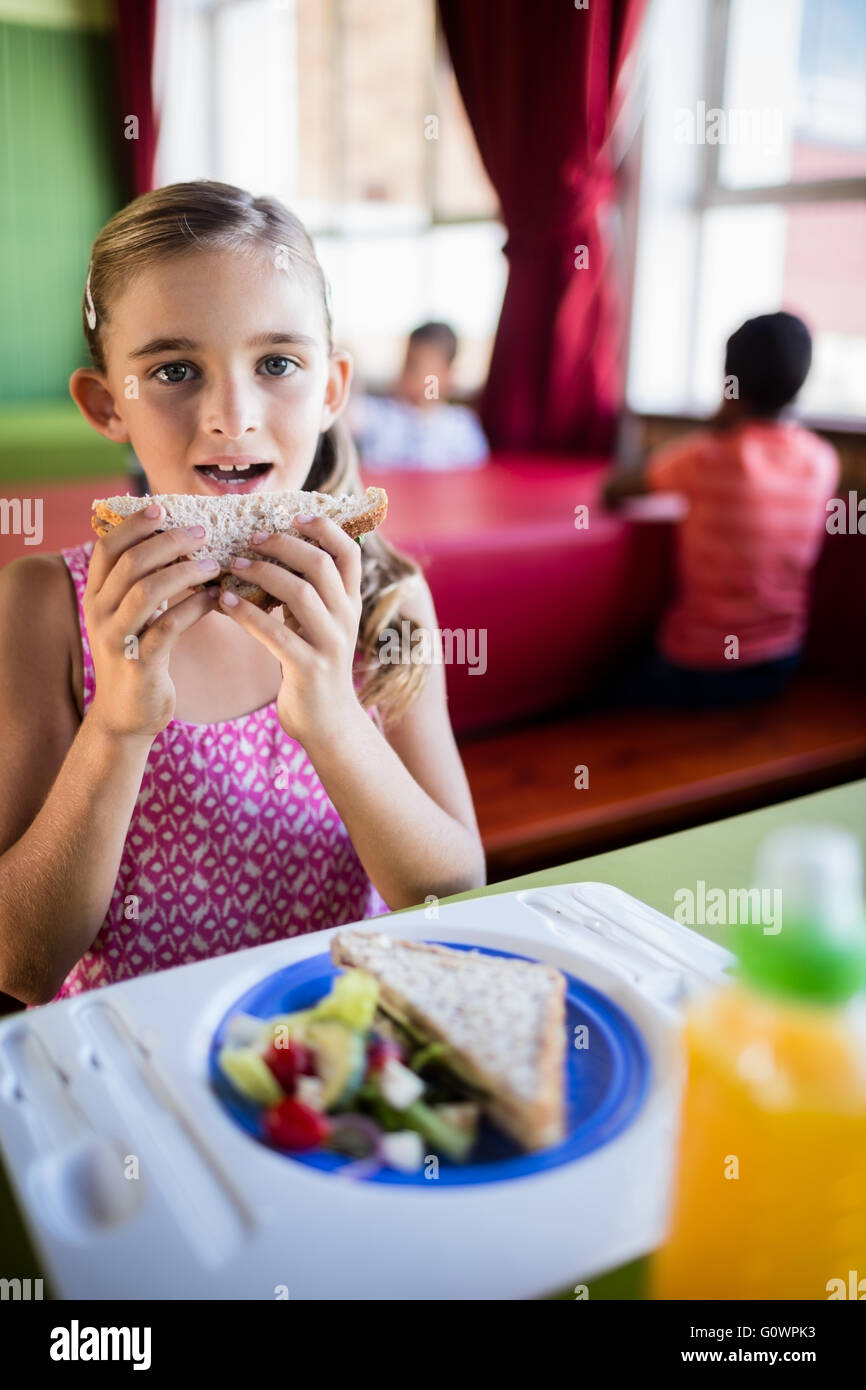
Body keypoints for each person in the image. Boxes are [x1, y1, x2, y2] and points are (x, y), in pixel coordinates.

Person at [0, 181, 485, 1007]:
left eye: (277, 364)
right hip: (135, 1073)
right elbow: (19, 962)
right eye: (175, 369)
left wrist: (332, 718)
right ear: (104, 402)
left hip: (335, 1061)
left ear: (332, 389)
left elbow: (449, 890)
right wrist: (117, 727)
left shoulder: (386, 601)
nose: (231, 415)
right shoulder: (44, 607)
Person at [603, 312, 840, 709]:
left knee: (603, 688)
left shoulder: (707, 458)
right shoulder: (822, 461)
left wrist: (718, 423)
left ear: (730, 383)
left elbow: (615, 491)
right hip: (782, 661)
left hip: (700, 667)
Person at [353, 321, 489, 469]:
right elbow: (350, 414)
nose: (408, 373)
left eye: (417, 366)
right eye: (407, 363)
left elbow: (476, 474)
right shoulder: (379, 416)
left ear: (447, 374)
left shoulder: (462, 428)